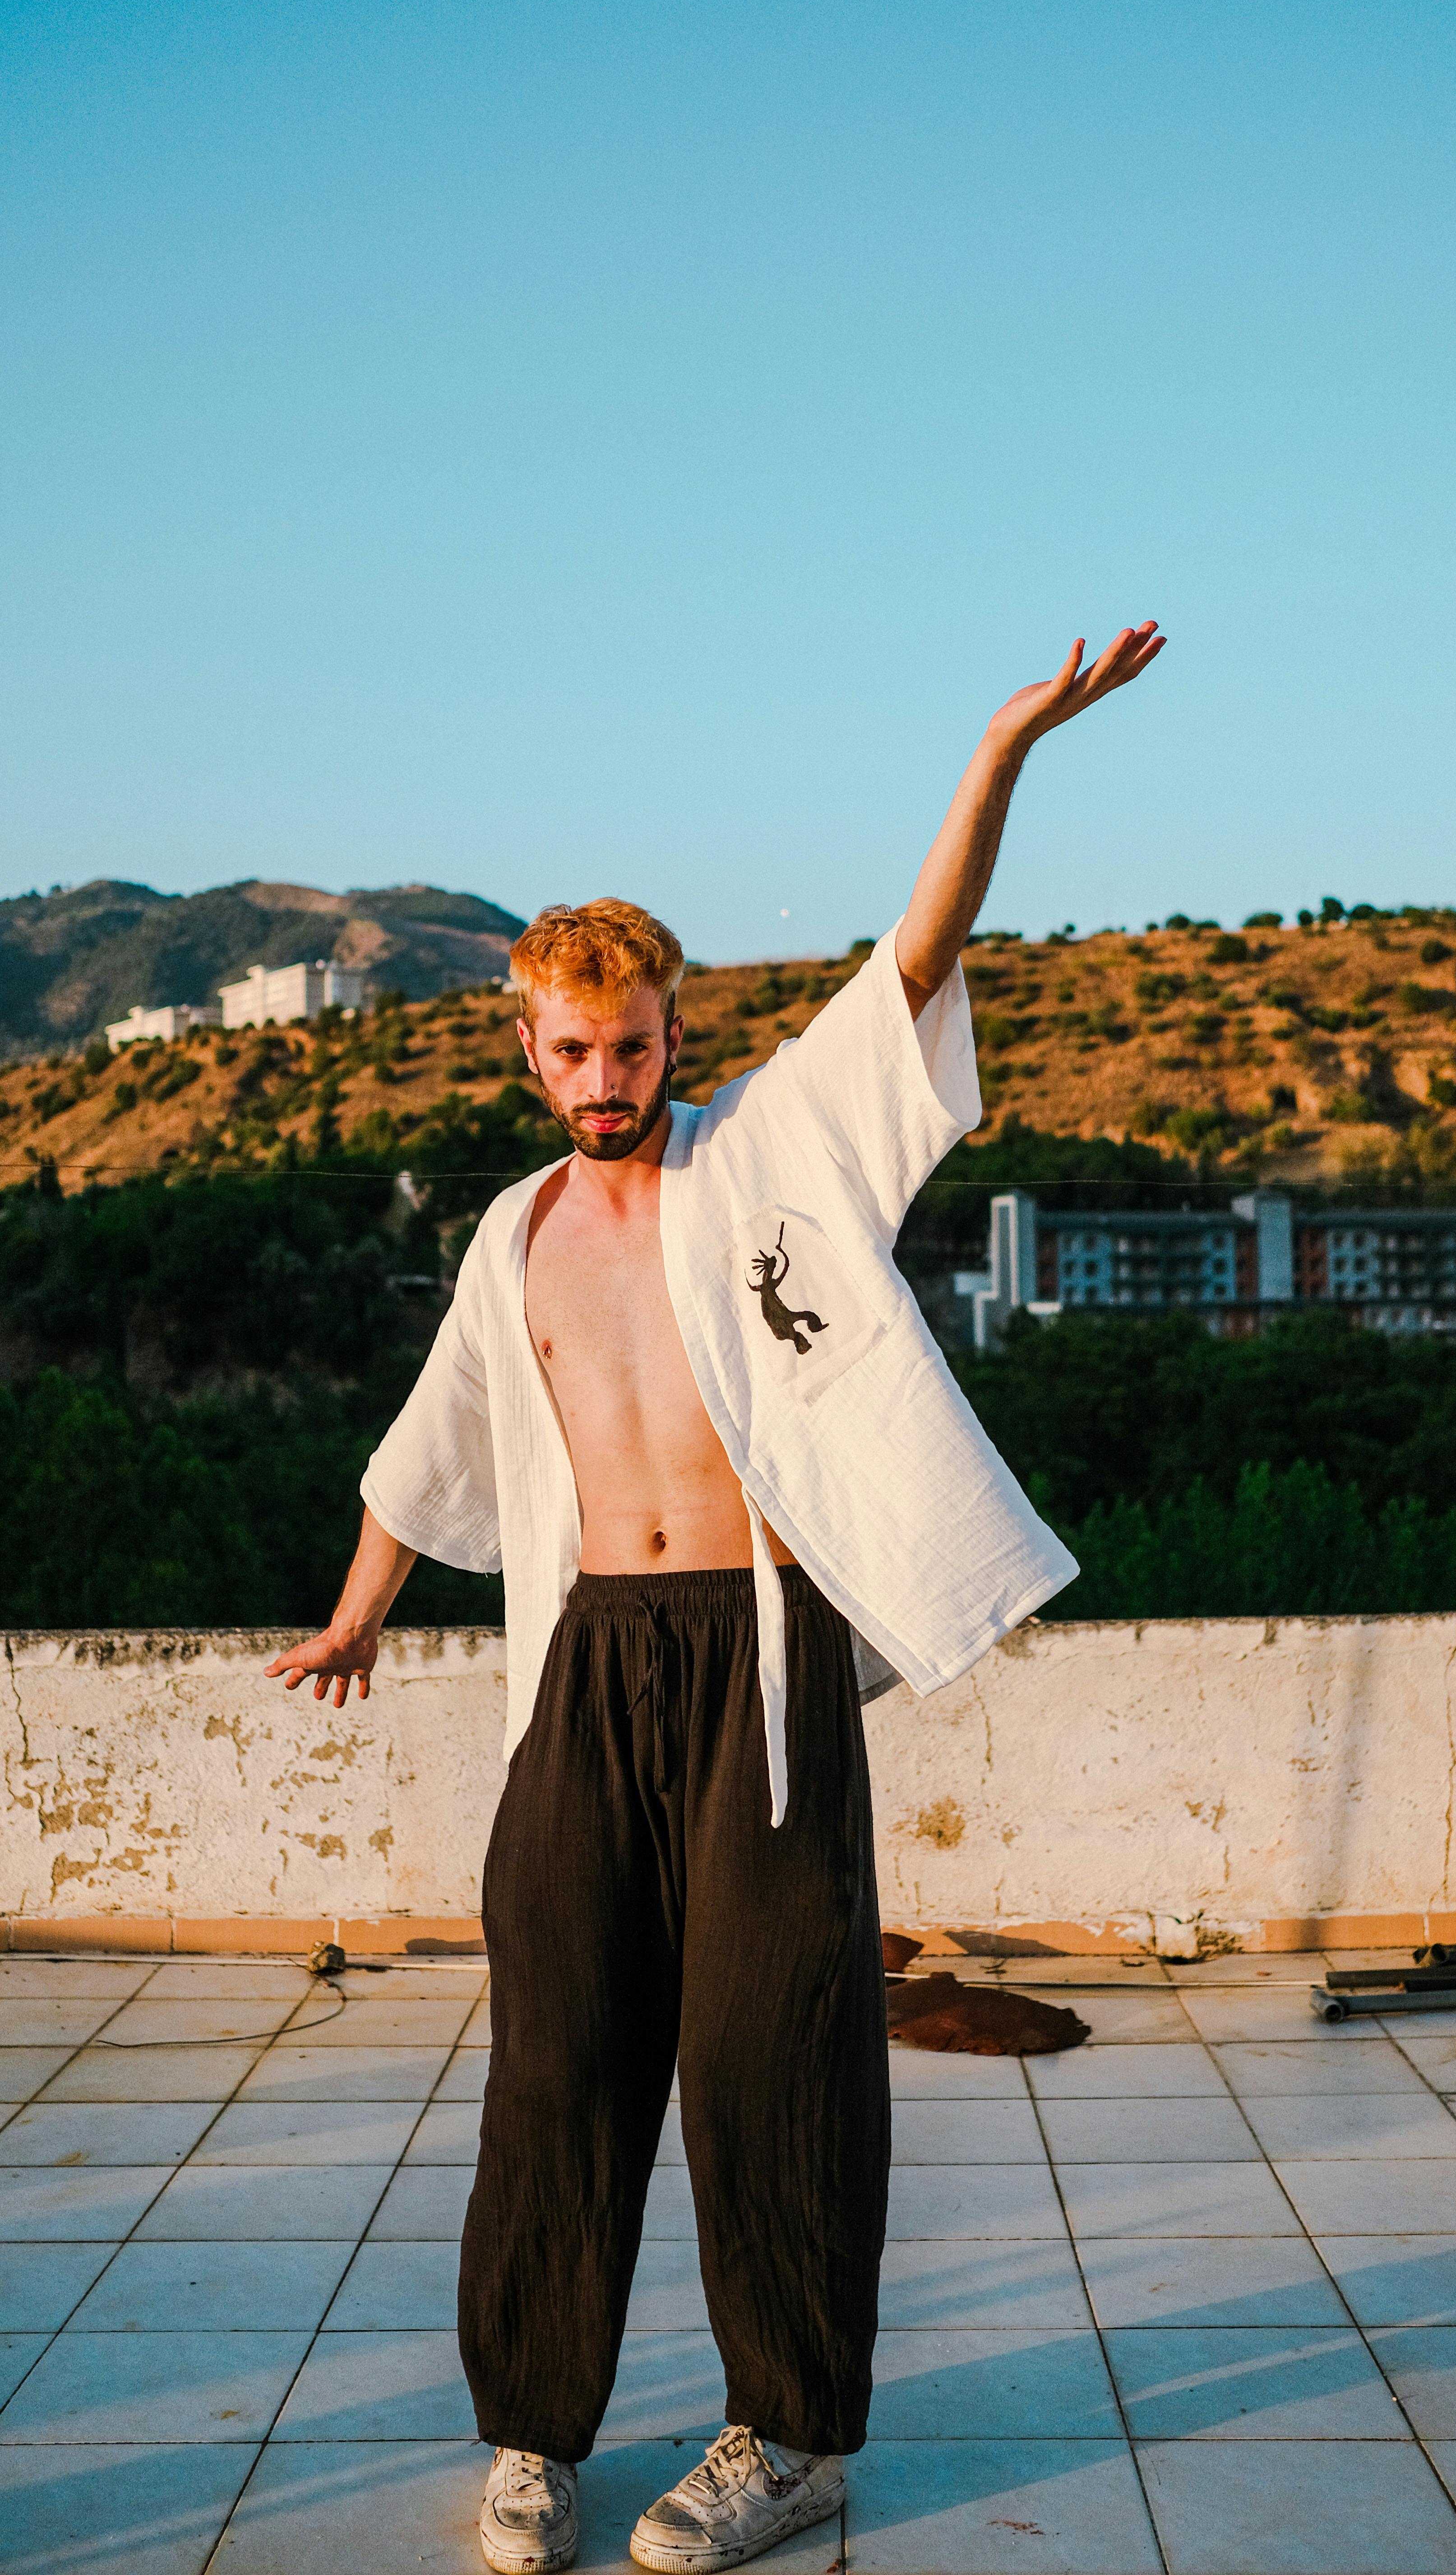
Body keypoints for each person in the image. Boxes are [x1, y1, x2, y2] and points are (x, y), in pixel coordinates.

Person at [265, 623, 1165, 2575]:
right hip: (581, 1668)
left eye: (637, 1043)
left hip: (756, 1660)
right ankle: (533, 2437)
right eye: (574, 1050)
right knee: (560, 2057)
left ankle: (787, 2434)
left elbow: (913, 960)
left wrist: (998, 750)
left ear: (677, 1035)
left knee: (778, 2050)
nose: (607, 1076)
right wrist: (354, 1613)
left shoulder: (769, 1149)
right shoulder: (510, 1238)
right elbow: (429, 1446)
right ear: (529, 1047)